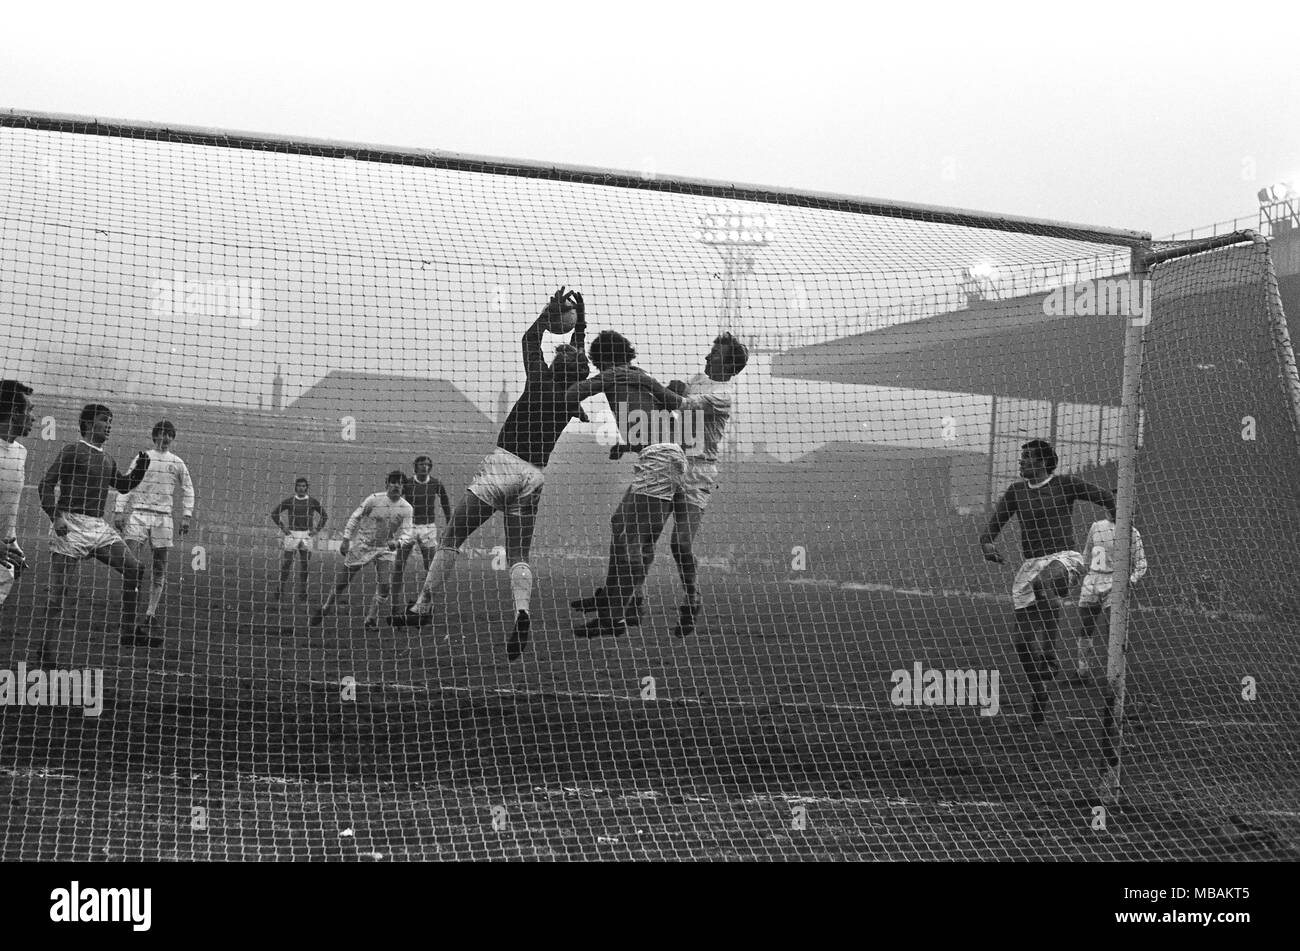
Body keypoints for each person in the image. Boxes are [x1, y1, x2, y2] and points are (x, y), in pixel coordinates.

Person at [394, 287, 589, 663]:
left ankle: (422, 607)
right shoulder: (571, 397)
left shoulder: (540, 380)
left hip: (503, 465)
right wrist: (578, 324)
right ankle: (521, 612)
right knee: (519, 554)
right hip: (534, 476)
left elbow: (529, 338)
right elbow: (576, 361)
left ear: (557, 364)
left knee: (453, 536)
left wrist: (548, 314)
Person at [572, 333, 749, 637]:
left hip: (696, 473)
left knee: (679, 544)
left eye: (715, 354)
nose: (707, 357)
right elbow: (669, 420)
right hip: (671, 459)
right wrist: (628, 444)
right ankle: (628, 601)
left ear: (730, 364)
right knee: (630, 530)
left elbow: (673, 402)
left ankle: (690, 600)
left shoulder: (723, 394)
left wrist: (642, 380)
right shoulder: (698, 380)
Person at [979, 438, 1115, 735]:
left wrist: (1120, 510)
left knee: (1045, 584)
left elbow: (1106, 497)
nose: (1021, 462)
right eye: (1022, 457)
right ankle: (1039, 690)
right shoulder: (1016, 492)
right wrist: (987, 544)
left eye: (1027, 458)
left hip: (1065, 558)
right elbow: (994, 525)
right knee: (1021, 642)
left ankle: (1051, 656)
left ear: (1042, 462)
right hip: (1030, 566)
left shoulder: (1065, 484)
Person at [37, 403, 153, 645]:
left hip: (97, 527)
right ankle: (46, 652)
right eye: (104, 420)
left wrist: (139, 471)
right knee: (59, 596)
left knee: (135, 568)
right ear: (89, 424)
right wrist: (55, 516)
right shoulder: (72, 451)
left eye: (110, 420)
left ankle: (129, 633)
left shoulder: (107, 459)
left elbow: (122, 485)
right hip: (70, 525)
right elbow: (45, 484)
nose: (109, 425)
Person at [113, 420, 196, 638]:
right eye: (162, 434)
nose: (166, 438)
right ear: (155, 436)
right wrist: (119, 511)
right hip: (139, 515)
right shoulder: (143, 458)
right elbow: (127, 484)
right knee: (130, 564)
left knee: (159, 568)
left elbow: (188, 489)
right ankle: (128, 612)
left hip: (163, 520)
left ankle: (150, 612)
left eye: (170, 434)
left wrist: (186, 516)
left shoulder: (177, 463)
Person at [311, 471, 413, 629]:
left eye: (400, 483)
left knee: (385, 586)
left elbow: (408, 533)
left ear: (404, 487)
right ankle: (326, 608)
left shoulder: (406, 508)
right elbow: (355, 516)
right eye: (393, 482)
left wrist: (398, 543)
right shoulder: (374, 499)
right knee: (342, 583)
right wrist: (346, 539)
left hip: (385, 549)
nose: (396, 485)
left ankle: (370, 619)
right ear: (387, 484)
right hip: (362, 546)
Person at [1074, 515, 1147, 677]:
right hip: (1092, 580)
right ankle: (1082, 670)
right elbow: (1087, 554)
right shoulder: (1096, 526)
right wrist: (1081, 573)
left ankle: (1113, 673)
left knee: (1112, 629)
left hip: (1115, 582)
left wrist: (1130, 581)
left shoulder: (1132, 532)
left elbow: (1141, 563)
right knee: (1086, 626)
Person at [391, 455, 452, 608]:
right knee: (399, 565)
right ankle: (395, 603)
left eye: (427, 465)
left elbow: (445, 502)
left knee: (430, 568)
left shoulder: (436, 483)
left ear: (430, 467)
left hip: (428, 529)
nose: (424, 467)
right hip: (410, 527)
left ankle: (425, 603)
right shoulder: (408, 484)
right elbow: (397, 500)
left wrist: (449, 523)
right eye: (421, 464)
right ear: (415, 466)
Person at [0, 380, 35, 610]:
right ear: (14, 413)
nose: (33, 418)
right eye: (29, 411)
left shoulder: (20, 452)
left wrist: (15, 547)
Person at [270, 478, 328, 602]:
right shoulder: (290, 501)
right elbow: (274, 513)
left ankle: (303, 591)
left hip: (307, 535)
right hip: (292, 534)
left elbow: (324, 515)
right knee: (287, 563)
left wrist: (316, 530)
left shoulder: (312, 501)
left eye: (303, 486)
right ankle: (280, 588)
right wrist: (283, 527)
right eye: (299, 486)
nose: (301, 488)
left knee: (305, 564)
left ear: (307, 487)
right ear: (295, 487)